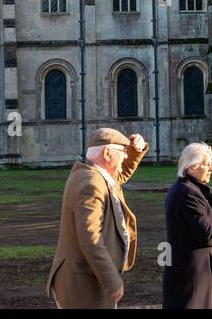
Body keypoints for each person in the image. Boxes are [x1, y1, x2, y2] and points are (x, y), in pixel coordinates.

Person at [47, 128, 148, 308]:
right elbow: (90, 237)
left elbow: (120, 174)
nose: (125, 157)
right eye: (123, 152)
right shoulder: (92, 184)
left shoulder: (90, 174)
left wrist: (134, 151)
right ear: (108, 153)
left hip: (82, 280)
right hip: (84, 288)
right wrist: (112, 280)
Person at [162, 142, 212, 309]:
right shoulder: (188, 193)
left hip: (194, 275)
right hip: (193, 278)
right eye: (206, 164)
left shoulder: (185, 190)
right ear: (191, 168)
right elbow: (208, 235)